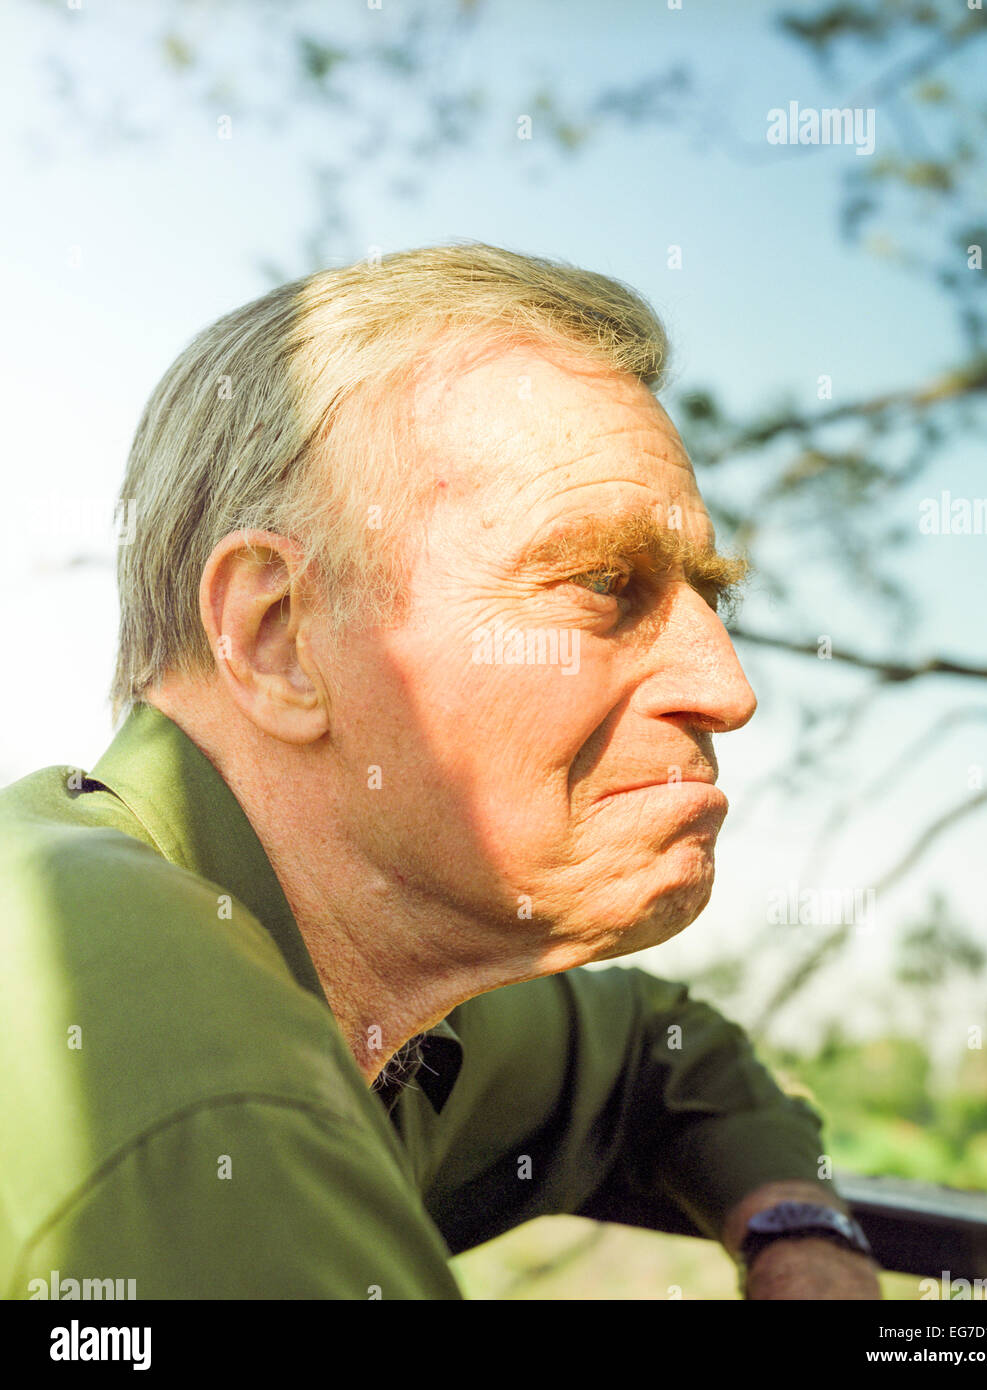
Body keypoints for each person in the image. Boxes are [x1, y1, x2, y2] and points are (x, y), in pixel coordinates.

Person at [1, 243, 880, 1300]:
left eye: (708, 599)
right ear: (279, 637)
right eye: (605, 583)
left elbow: (664, 1047)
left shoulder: (371, 1001)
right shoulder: (200, 1082)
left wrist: (795, 1225)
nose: (726, 687)